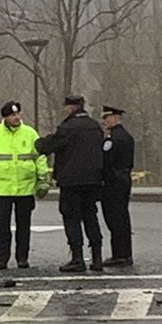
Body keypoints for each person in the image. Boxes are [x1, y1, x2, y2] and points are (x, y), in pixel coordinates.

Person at [35, 93, 107, 273]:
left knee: (72, 217)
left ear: (70, 108)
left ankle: (77, 258)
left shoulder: (68, 128)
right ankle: (97, 258)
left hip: (71, 181)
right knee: (91, 216)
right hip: (93, 180)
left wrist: (40, 141)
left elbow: (46, 147)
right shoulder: (95, 126)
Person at [0, 100, 50, 272]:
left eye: (18, 114)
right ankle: (2, 258)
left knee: (24, 226)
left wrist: (43, 179)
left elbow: (39, 157)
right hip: (1, 190)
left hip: (25, 188)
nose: (17, 117)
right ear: (5, 117)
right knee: (2, 227)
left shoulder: (30, 133)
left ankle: (22, 258)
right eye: (12, 115)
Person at [98, 104, 136, 268]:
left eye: (106, 118)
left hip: (113, 181)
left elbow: (106, 161)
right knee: (123, 217)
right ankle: (126, 254)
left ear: (114, 117)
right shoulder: (127, 137)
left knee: (114, 218)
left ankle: (118, 255)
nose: (104, 121)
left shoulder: (112, 139)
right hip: (124, 178)